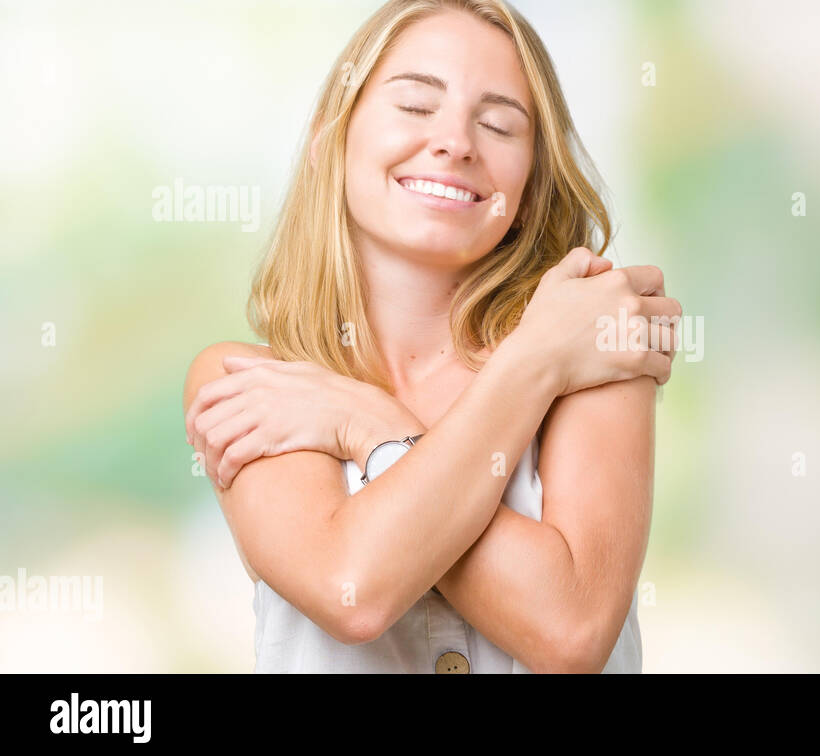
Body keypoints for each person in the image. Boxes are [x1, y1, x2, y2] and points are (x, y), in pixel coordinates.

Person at [181, 0, 681, 673]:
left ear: (530, 187)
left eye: (500, 124)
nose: (456, 142)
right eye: (415, 106)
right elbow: (353, 588)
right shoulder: (247, 384)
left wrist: (368, 423)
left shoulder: (596, 361)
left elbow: (571, 630)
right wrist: (538, 359)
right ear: (329, 140)